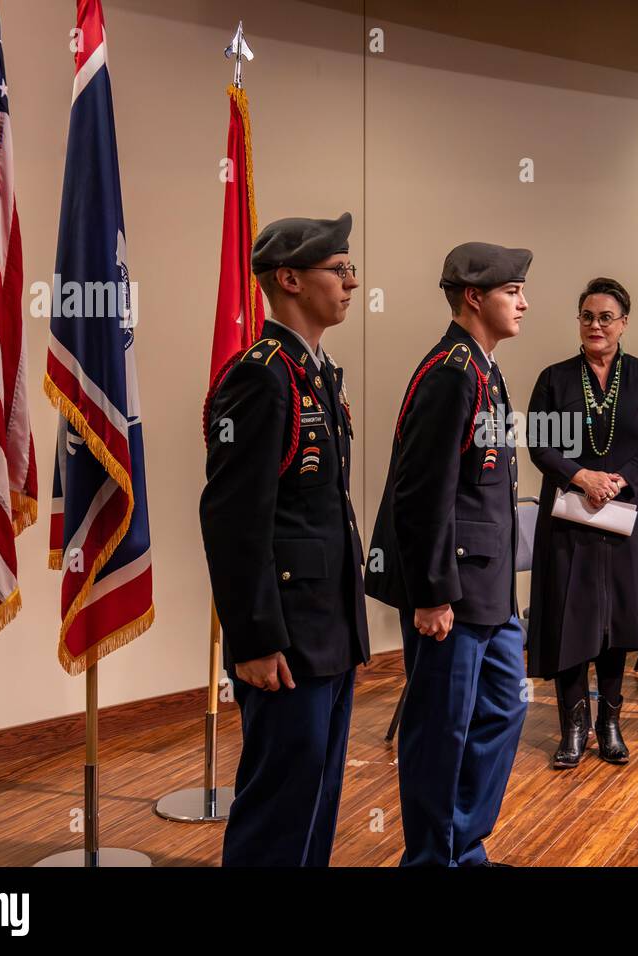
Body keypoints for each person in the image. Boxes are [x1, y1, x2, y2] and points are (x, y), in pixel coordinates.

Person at [199, 213, 369, 867]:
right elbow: (233, 521)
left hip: (327, 628)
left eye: (350, 268)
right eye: (339, 269)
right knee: (278, 811)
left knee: (317, 802)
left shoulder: (317, 372)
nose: (352, 282)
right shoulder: (260, 377)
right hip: (287, 637)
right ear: (290, 279)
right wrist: (255, 639)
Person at [366, 241, 531, 867]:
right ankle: (433, 859)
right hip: (453, 595)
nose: (524, 302)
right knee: (442, 732)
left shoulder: (484, 368)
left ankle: (465, 846)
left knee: (501, 714)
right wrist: (432, 593)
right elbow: (420, 494)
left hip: (490, 593)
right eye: (512, 292)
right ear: (474, 297)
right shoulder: (449, 375)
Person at [526, 277, 638, 768]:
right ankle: (574, 726)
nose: (595, 325)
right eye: (587, 316)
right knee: (573, 619)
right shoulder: (555, 378)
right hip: (571, 519)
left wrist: (619, 479)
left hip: (628, 517)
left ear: (623, 323)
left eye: (605, 317)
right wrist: (581, 475)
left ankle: (610, 722)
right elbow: (540, 444)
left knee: (617, 621)